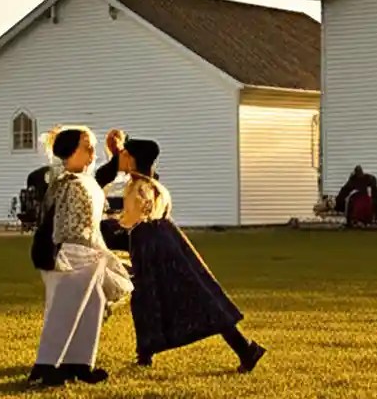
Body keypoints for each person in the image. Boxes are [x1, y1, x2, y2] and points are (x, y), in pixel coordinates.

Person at [116, 135, 267, 372]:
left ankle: (245, 349)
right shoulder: (150, 185)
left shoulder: (141, 188)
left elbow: (130, 220)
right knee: (170, 298)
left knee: (154, 297)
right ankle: (146, 352)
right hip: (167, 243)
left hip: (153, 248)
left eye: (124, 154)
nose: (120, 158)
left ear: (133, 159)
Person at [28, 125, 133, 388]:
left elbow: (101, 178)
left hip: (88, 252)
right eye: (86, 147)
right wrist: (66, 253)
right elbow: (59, 226)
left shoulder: (84, 180)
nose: (91, 152)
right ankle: (46, 366)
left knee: (93, 304)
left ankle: (80, 363)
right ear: (70, 152)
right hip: (66, 254)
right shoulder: (65, 183)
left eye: (91, 148)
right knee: (65, 308)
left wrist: (114, 153)